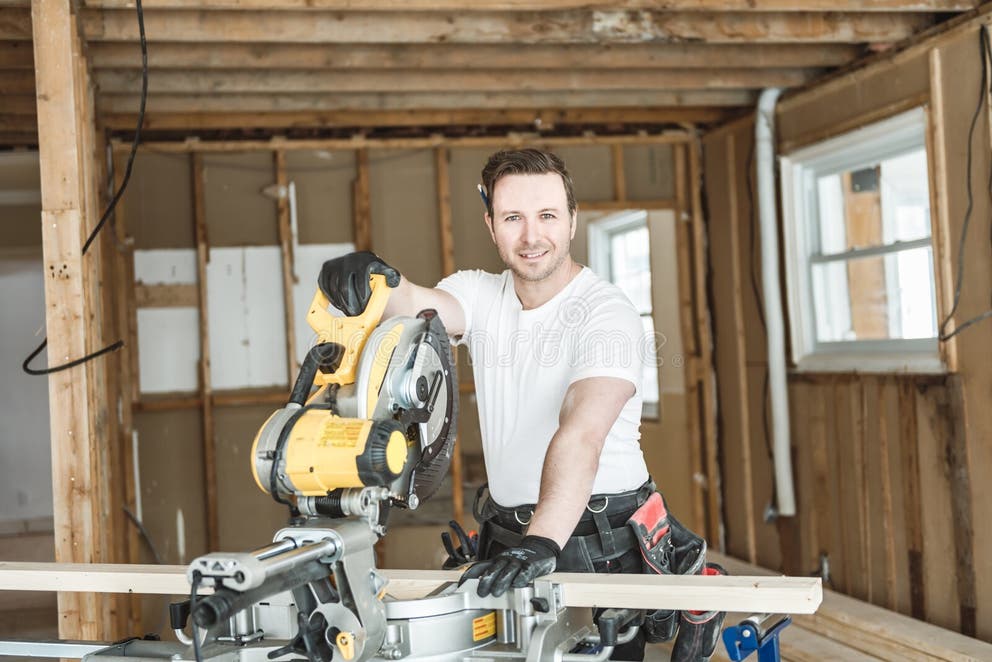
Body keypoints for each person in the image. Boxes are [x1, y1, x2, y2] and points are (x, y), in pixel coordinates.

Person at [318, 148, 724, 661]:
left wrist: (543, 543)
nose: (532, 237)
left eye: (547, 216)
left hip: (595, 540)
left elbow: (582, 434)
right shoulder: (480, 294)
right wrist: (374, 280)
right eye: (513, 218)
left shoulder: (607, 313)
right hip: (510, 535)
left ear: (572, 220)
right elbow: (417, 305)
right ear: (491, 225)